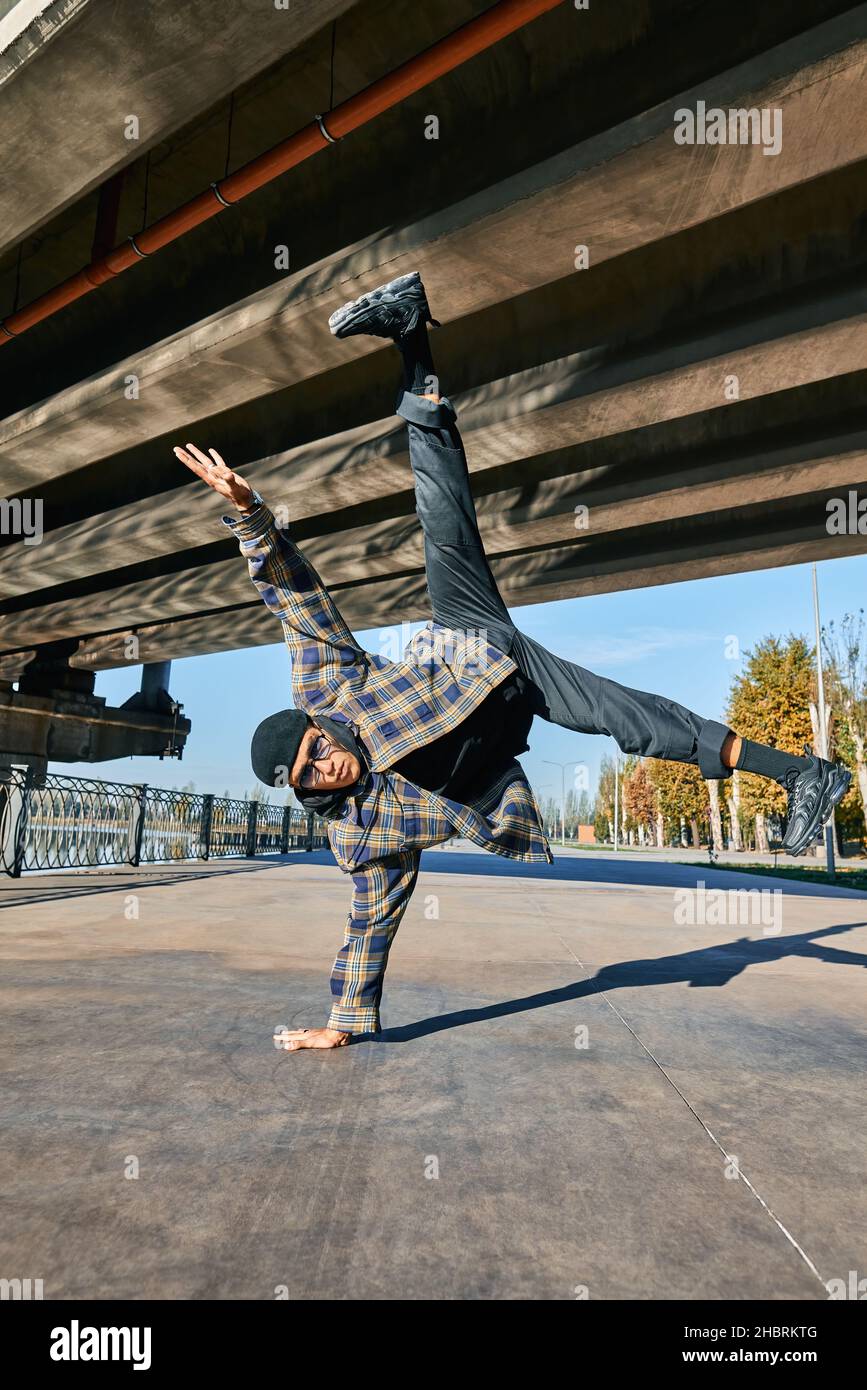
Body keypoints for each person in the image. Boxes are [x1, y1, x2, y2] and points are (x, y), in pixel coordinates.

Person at [174, 272, 850, 1052]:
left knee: (441, 514)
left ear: (316, 728)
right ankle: (811, 773)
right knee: (633, 726)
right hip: (513, 710)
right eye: (308, 777)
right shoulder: (358, 831)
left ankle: (408, 334)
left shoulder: (326, 686)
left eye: (314, 750)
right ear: (305, 794)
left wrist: (250, 516)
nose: (324, 765)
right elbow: (370, 919)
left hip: (471, 638)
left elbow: (294, 600)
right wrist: (342, 1023)